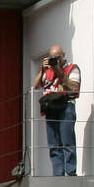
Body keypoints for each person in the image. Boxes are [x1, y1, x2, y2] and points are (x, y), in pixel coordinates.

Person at [34, 44, 81, 177]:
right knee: (54, 144)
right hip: (51, 108)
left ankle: (71, 173)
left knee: (67, 142)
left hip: (66, 106)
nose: (56, 60)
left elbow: (74, 87)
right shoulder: (46, 70)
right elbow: (36, 85)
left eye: (58, 57)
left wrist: (59, 72)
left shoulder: (72, 68)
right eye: (52, 57)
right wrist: (43, 70)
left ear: (64, 56)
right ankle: (58, 176)